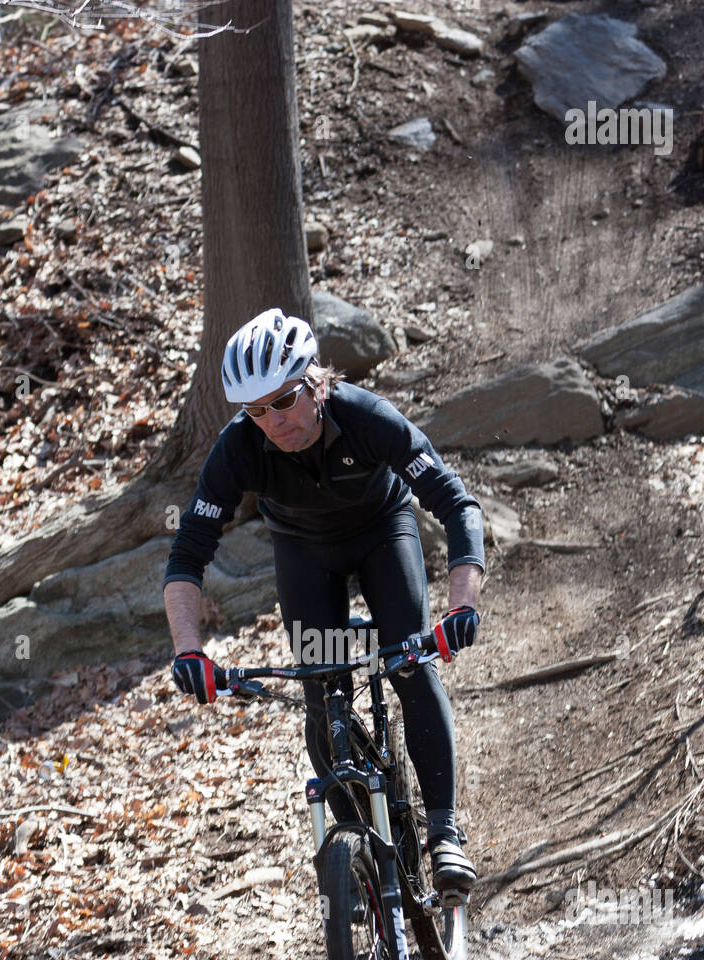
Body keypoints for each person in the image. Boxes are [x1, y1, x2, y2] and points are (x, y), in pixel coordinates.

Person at [163, 308, 484, 891]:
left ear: (314, 382)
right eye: (256, 411)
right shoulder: (238, 448)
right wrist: (189, 651)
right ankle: (359, 863)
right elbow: (187, 557)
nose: (273, 421)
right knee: (321, 693)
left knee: (411, 666)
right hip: (304, 552)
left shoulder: (366, 416)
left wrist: (460, 604)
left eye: (283, 401)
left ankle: (443, 834)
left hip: (383, 533)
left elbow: (456, 504)